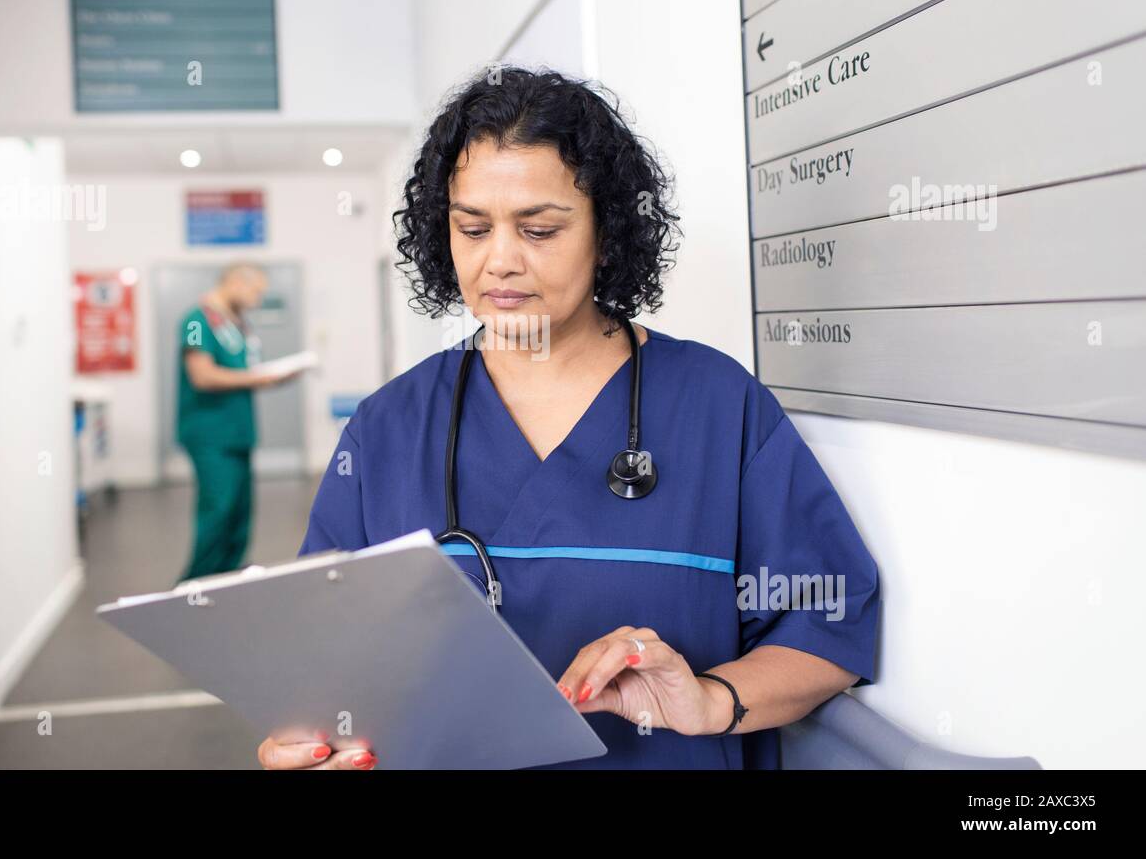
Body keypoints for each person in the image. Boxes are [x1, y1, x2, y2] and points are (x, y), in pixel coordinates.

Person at [257, 68, 881, 771]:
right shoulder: (389, 429)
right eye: (472, 228)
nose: (500, 261)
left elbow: (826, 621)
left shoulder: (716, 406)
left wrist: (710, 699)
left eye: (540, 229)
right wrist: (306, 742)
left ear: (607, 234)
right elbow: (323, 657)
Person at [176, 263, 304, 582]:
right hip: (210, 433)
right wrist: (258, 379)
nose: (257, 300)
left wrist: (273, 378)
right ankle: (194, 586)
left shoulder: (235, 324)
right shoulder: (196, 321)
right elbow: (201, 376)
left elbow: (243, 370)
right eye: (254, 291)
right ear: (234, 282)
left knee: (238, 513)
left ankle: (227, 579)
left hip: (238, 433)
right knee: (218, 511)